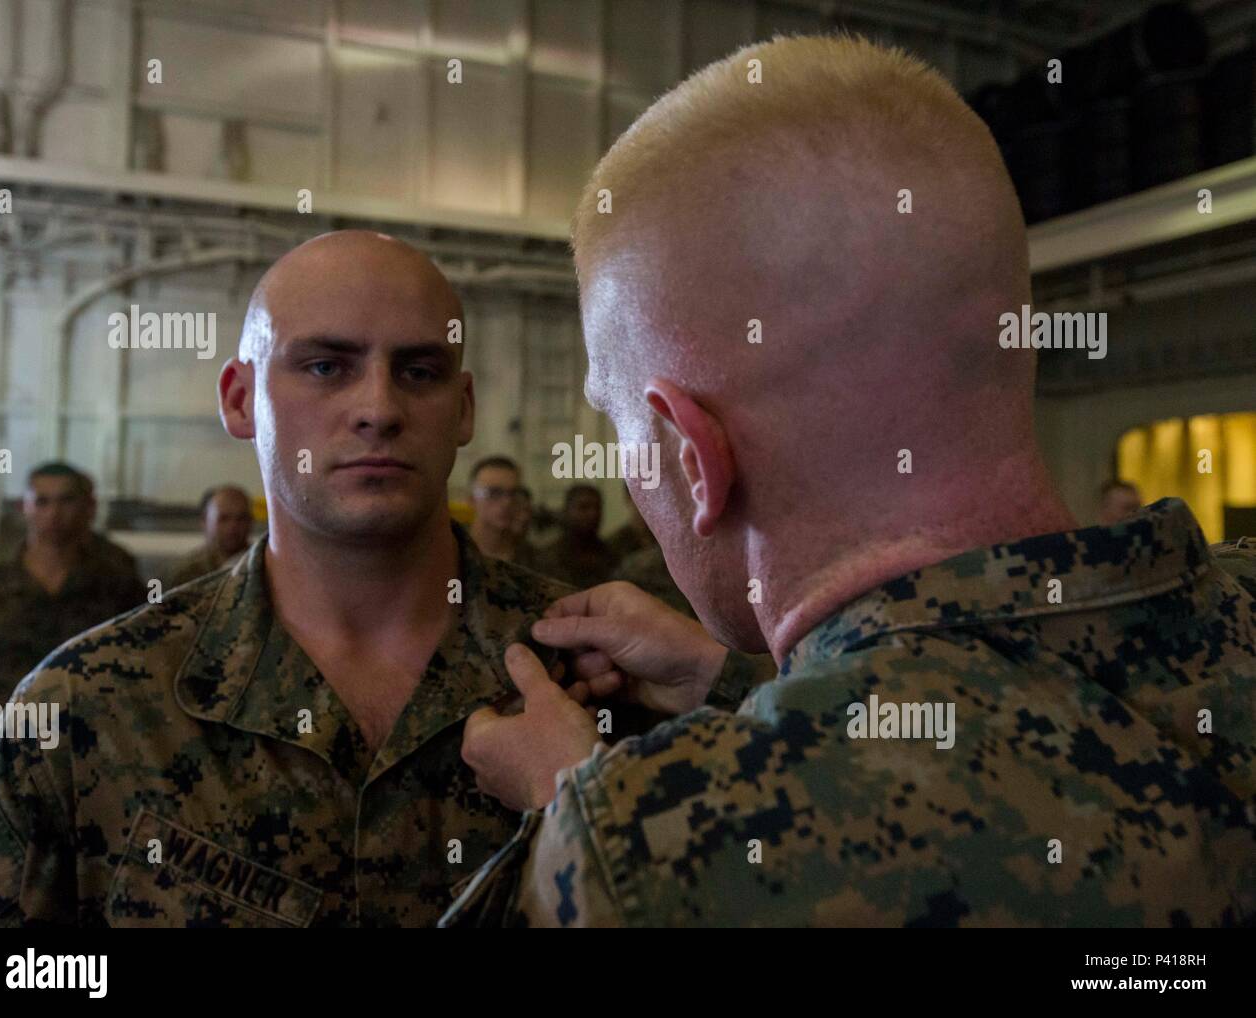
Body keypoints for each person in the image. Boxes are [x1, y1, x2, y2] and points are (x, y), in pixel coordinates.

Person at [442, 35, 1256, 927]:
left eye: (619, 421)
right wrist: (734, 683)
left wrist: (577, 806)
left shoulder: (653, 856)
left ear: (692, 458)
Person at [0, 231, 587, 927]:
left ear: (463, 409)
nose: (379, 408)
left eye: (419, 372)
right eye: (325, 367)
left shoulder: (591, 673)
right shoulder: (86, 708)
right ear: (238, 399)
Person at [0, 461, 146, 709]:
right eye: (42, 502)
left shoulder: (118, 588)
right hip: (2, 734)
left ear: (88, 508)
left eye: (66, 501)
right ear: (25, 507)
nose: (54, 513)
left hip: (88, 733)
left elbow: (139, 669)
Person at [168, 484, 254, 585]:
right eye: (224, 519)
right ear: (205, 521)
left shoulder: (264, 567)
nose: (233, 526)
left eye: (241, 518)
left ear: (250, 521)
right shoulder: (185, 573)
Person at [534, 485, 618, 587]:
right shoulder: (549, 558)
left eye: (597, 507)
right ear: (567, 510)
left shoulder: (611, 555)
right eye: (584, 507)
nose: (593, 514)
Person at [466, 456, 536, 568]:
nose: (507, 502)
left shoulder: (536, 561)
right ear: (472, 500)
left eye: (514, 493)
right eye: (494, 493)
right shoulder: (452, 554)